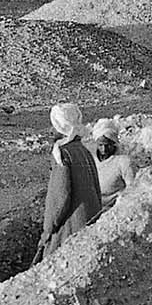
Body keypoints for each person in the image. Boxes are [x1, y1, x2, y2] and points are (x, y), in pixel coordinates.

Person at [37, 103, 102, 260]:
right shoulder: (83, 150)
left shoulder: (62, 155)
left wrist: (48, 232)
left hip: (71, 229)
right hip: (90, 223)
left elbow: (60, 198)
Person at [90, 119, 136, 210]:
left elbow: (133, 189)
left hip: (113, 210)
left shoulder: (123, 162)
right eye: (101, 145)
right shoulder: (91, 159)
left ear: (114, 143)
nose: (104, 149)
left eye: (108, 145)